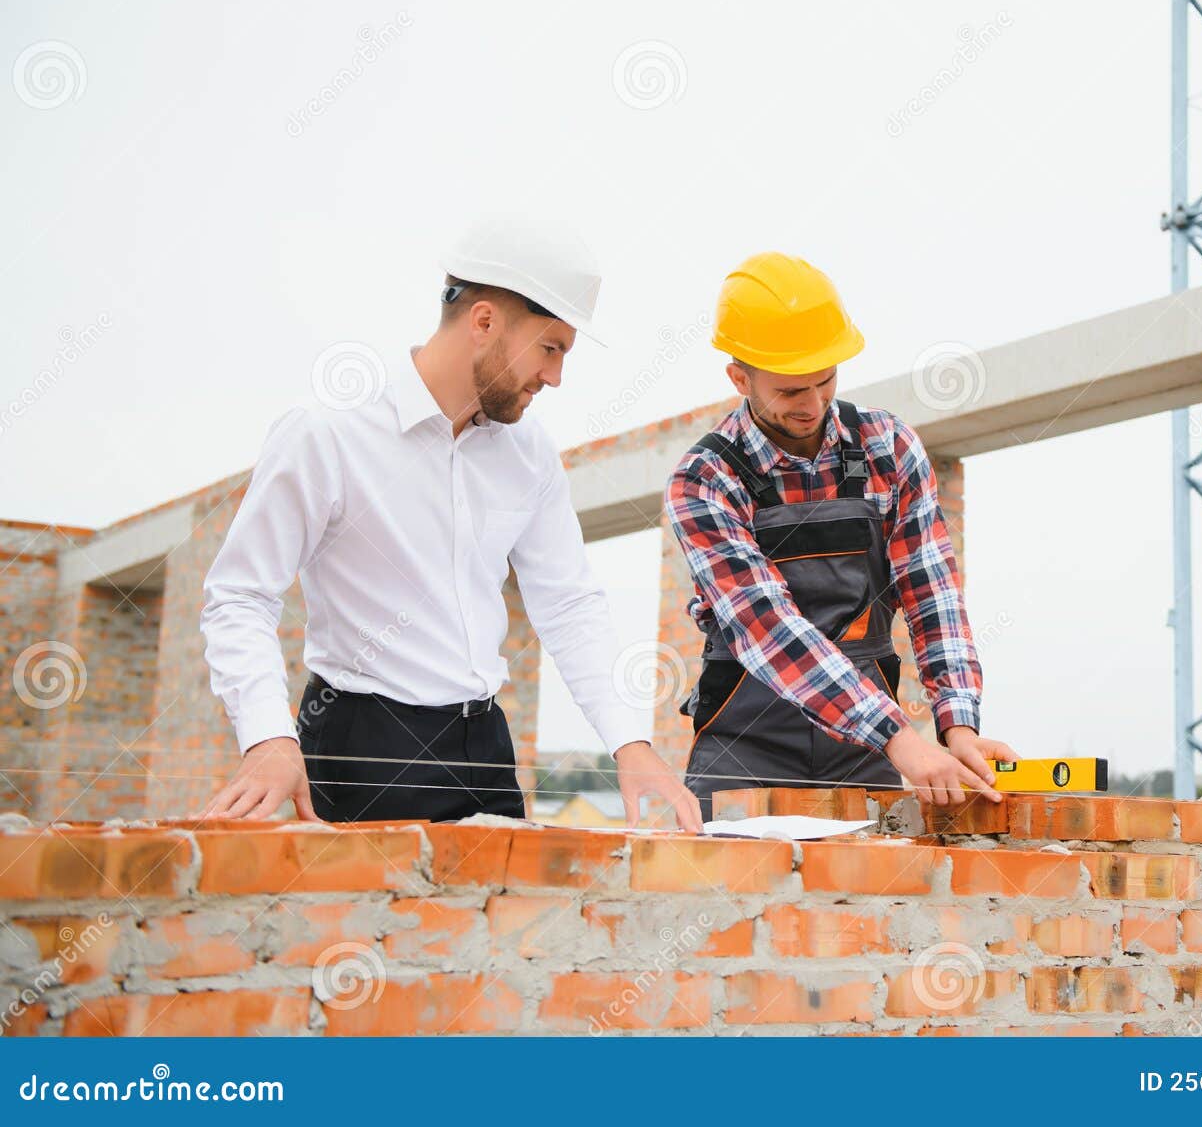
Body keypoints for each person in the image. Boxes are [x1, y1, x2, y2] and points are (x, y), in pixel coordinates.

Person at [198, 215, 702, 830]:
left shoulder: (529, 450)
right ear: (484, 321)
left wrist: (630, 744)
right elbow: (240, 596)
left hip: (486, 746)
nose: (555, 377)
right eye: (551, 348)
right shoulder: (328, 431)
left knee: (506, 924)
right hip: (360, 749)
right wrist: (269, 739)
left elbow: (567, 603)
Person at [664, 251, 1017, 819]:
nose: (812, 406)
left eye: (824, 381)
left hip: (864, 753)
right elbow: (770, 627)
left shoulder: (888, 447)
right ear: (739, 377)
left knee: (865, 901)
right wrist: (901, 739)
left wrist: (957, 724)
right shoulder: (705, 480)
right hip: (747, 746)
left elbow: (933, 596)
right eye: (789, 391)